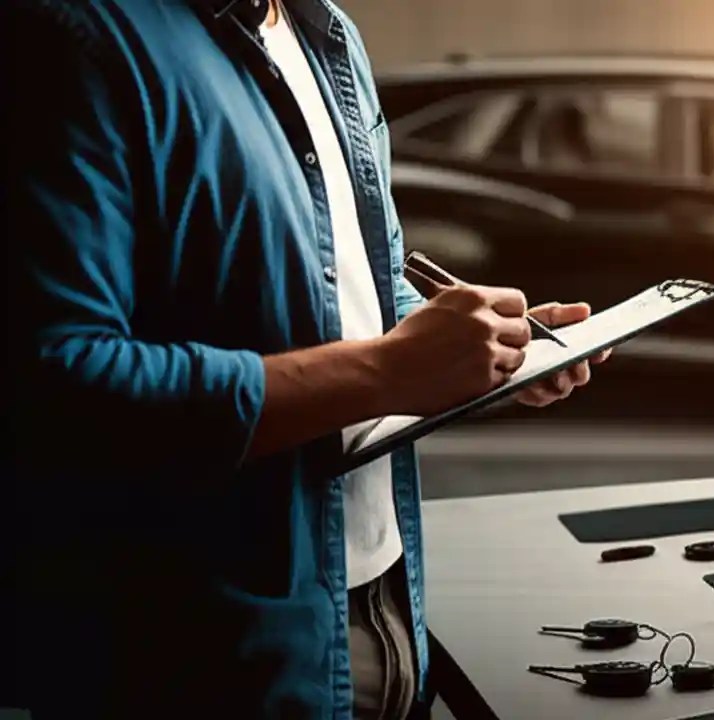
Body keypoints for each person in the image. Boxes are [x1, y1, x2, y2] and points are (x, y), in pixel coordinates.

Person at [2, 0, 607, 717]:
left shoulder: (330, 34)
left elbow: (365, 299)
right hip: (206, 658)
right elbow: (62, 389)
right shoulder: (73, 37)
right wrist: (389, 370)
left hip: (387, 612)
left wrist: (484, 352)